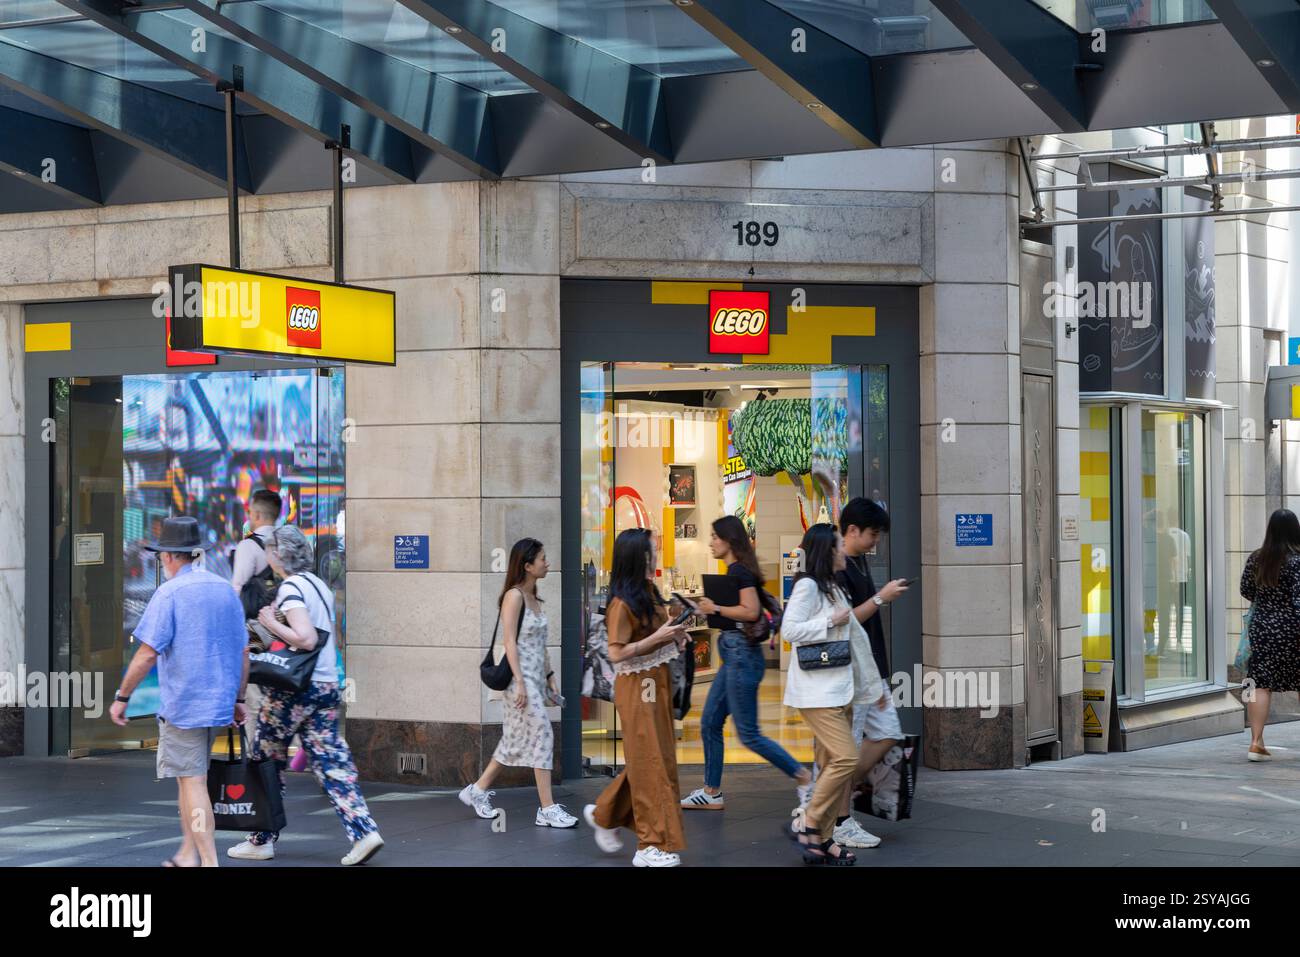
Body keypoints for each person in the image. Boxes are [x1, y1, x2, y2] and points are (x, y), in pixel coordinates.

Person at [227, 525, 384, 866]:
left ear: (279, 555)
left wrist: (270, 620)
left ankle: (261, 838)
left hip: (292, 691)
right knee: (332, 762)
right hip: (325, 686)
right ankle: (363, 832)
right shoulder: (318, 585)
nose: (267, 556)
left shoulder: (293, 586)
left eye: (270, 550)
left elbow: (306, 638)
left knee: (266, 759)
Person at [109, 517, 248, 868]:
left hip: (184, 706)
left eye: (160, 557)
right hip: (217, 705)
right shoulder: (223, 591)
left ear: (170, 556)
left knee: (194, 783)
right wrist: (239, 699)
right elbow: (243, 652)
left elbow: (146, 653)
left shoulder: (169, 593)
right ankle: (188, 855)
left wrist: (123, 697)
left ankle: (208, 860)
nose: (160, 563)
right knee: (189, 780)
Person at [681, 515, 813, 811]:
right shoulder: (736, 570)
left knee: (749, 734)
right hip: (734, 654)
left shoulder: (740, 571)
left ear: (729, 540)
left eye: (715, 536)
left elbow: (751, 611)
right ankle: (711, 791)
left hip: (741, 655)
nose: (711, 542)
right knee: (710, 721)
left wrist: (714, 607)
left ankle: (804, 776)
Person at [780, 523, 889, 866]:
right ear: (826, 551)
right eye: (839, 546)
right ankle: (810, 821)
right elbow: (789, 629)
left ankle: (823, 840)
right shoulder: (809, 586)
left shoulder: (833, 589)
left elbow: (856, 641)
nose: (845, 551)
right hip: (816, 693)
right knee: (845, 758)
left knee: (830, 761)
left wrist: (873, 688)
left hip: (838, 690)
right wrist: (828, 622)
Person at [583, 528, 690, 867]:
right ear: (637, 556)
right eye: (650, 550)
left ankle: (605, 814)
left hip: (654, 684)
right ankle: (649, 844)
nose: (656, 555)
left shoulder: (648, 592)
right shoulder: (621, 603)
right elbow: (617, 653)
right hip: (637, 687)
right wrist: (659, 637)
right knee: (650, 763)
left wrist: (675, 637)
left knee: (654, 760)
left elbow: (655, 638)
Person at [459, 538, 576, 828]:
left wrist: (550, 678)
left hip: (535, 681)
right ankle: (547, 808)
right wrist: (521, 682)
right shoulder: (514, 596)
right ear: (527, 565)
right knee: (544, 733)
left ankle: (476, 791)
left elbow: (540, 644)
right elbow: (509, 641)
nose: (547, 563)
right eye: (542, 559)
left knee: (513, 741)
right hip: (518, 683)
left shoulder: (535, 598)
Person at [836, 497, 910, 847]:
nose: (876, 541)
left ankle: (829, 800)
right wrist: (881, 598)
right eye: (873, 534)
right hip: (850, 672)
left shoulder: (860, 561)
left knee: (887, 733)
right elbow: (844, 622)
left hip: (869, 670)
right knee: (848, 747)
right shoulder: (837, 567)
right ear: (852, 530)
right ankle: (834, 816)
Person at [1239, 508, 1300, 762]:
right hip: (1294, 629)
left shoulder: (1257, 558)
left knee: (1258, 683)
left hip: (1262, 628)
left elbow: (1245, 589)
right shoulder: (1298, 560)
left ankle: (1255, 742)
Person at [229, 489, 283, 747]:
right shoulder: (290, 542)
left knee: (252, 690)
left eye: (250, 512)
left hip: (256, 628)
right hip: (286, 625)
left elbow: (236, 587)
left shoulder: (249, 545)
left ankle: (258, 750)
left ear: (258, 514)